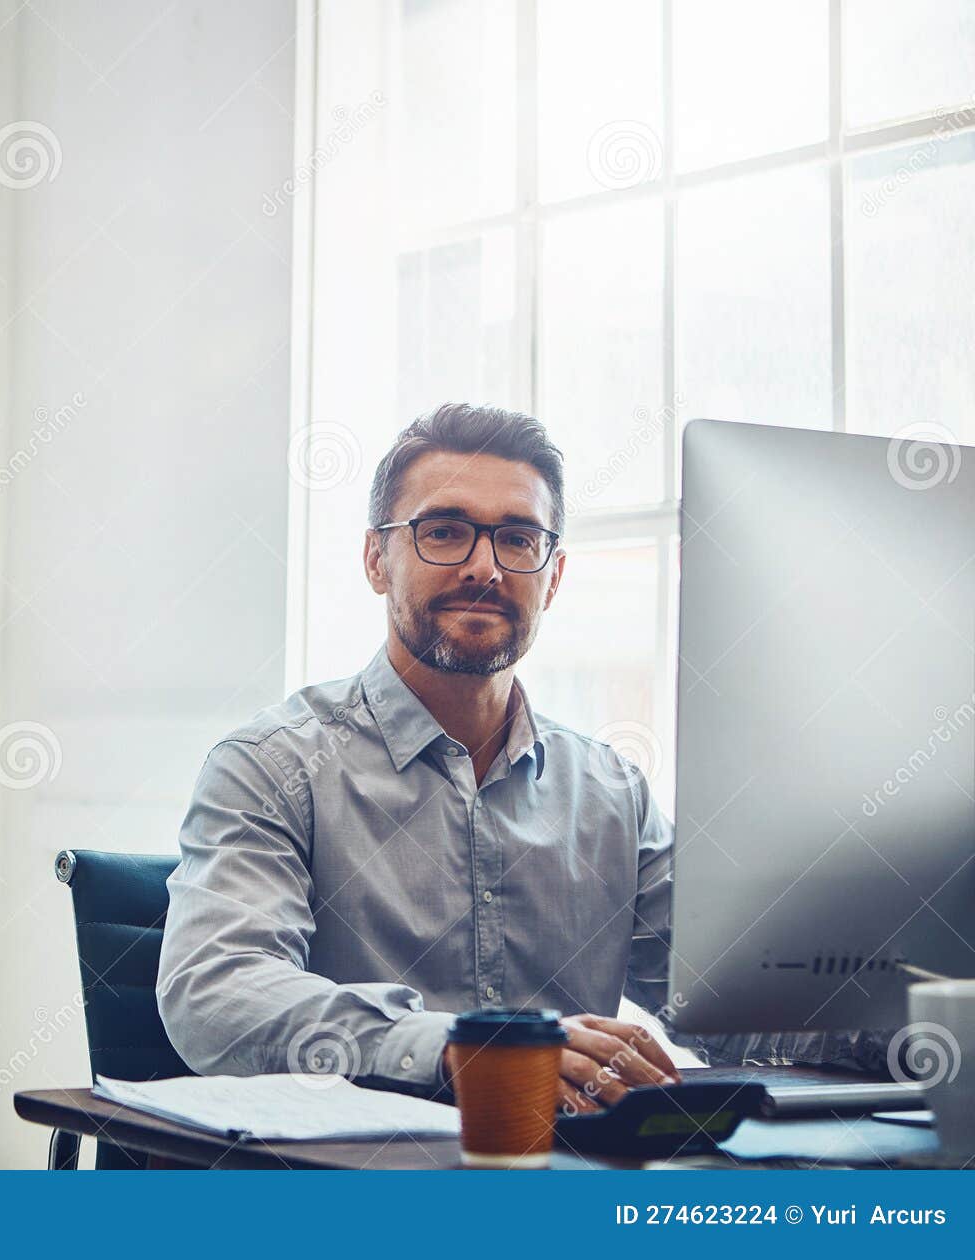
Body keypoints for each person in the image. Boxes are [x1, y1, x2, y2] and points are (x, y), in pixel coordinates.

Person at [156, 402, 882, 1113]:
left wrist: (926, 1031)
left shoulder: (611, 793)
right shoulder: (269, 766)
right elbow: (217, 992)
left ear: (554, 575)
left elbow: (730, 1000)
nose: (485, 567)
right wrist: (460, 1049)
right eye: (443, 532)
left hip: (575, 1198)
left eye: (518, 539)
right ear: (377, 559)